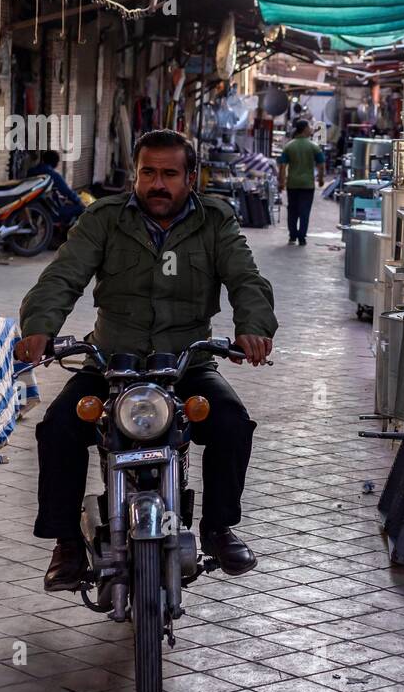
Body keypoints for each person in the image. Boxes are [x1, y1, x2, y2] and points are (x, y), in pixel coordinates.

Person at [15, 128, 277, 590]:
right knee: (57, 429)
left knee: (233, 423)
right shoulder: (104, 218)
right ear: (135, 175)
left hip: (186, 365)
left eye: (170, 174)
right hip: (112, 364)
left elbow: (245, 277)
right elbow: (64, 274)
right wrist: (40, 328)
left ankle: (218, 529)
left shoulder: (215, 220)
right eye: (148, 173)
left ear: (190, 177)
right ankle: (66, 544)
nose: (158, 184)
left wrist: (253, 325)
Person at [278, 119, 326, 246]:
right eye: (309, 127)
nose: (311, 129)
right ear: (304, 129)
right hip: (307, 185)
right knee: (305, 211)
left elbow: (282, 166)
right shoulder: (313, 146)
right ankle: (302, 237)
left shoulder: (289, 146)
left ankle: (292, 236)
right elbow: (321, 165)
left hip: (292, 184)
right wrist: (321, 179)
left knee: (292, 210)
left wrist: (281, 182)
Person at [27, 150, 85, 226]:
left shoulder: (31, 172)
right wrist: (79, 201)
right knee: (80, 208)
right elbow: (67, 191)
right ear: (55, 163)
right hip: (49, 212)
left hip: (33, 209)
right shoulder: (52, 174)